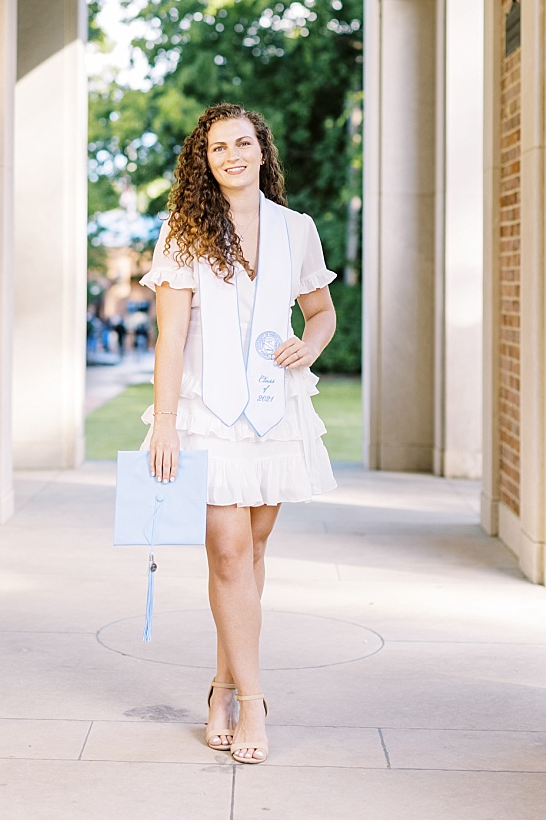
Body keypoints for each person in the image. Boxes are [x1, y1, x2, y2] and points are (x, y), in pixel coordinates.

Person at [139, 102, 339, 765]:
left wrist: (310, 345)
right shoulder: (185, 231)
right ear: (205, 159)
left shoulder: (296, 228)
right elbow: (171, 336)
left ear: (261, 150)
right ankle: (254, 702)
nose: (232, 155)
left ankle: (222, 685)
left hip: (274, 411)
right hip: (206, 410)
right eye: (219, 146)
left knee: (252, 550)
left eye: (243, 143)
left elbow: (320, 312)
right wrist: (164, 421)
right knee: (227, 552)